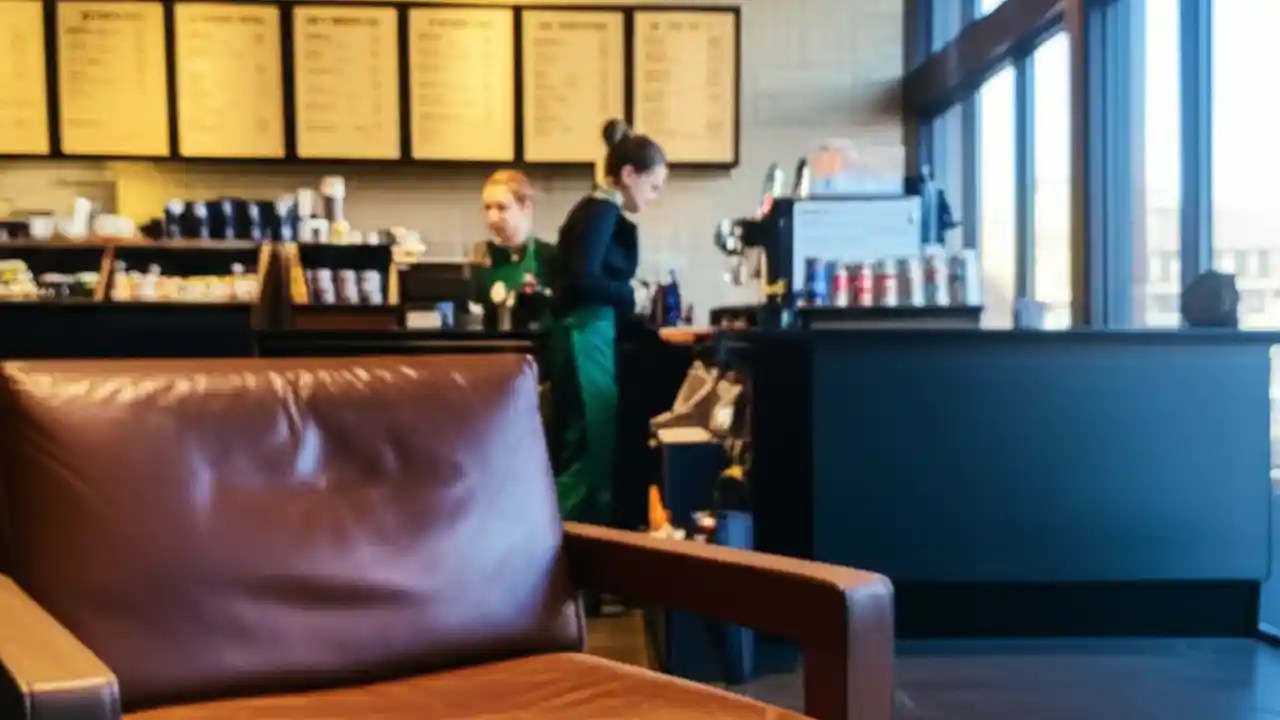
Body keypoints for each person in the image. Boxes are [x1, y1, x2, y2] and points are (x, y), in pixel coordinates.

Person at [548, 119, 668, 526]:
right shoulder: (600, 211)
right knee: (590, 445)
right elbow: (584, 278)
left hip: (592, 331)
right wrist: (631, 293)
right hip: (586, 333)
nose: (653, 198)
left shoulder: (597, 209)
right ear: (629, 175)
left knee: (588, 441)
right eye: (652, 187)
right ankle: (565, 543)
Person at [470, 170, 557, 331]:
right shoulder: (482, 256)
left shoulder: (549, 257)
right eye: (487, 208)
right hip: (492, 348)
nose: (492, 217)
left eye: (501, 208)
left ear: (526, 207)